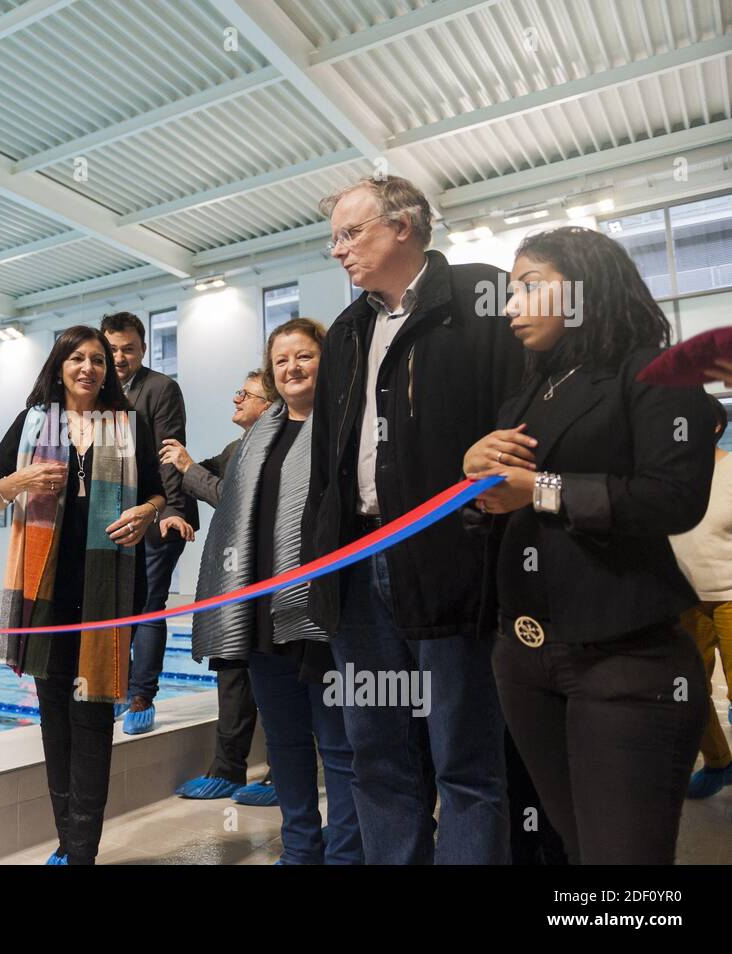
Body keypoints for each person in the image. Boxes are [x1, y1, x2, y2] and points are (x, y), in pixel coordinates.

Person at [465, 226, 716, 864]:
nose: (511, 307)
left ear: (583, 288)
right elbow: (505, 506)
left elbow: (671, 498)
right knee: (579, 851)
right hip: (525, 656)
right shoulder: (529, 391)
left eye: (529, 287)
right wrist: (472, 477)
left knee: (622, 862)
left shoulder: (657, 374)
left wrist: (542, 488)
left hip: (623, 657)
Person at [300, 174, 525, 864]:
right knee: (376, 755)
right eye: (333, 237)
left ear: (404, 227)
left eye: (350, 233)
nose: (337, 251)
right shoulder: (345, 331)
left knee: (464, 756)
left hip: (449, 561)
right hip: (360, 567)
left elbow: (522, 419)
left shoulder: (481, 301)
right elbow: (326, 467)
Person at [0, 325, 164, 866]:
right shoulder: (34, 422)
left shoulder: (128, 426)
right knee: (54, 719)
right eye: (78, 358)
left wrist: (145, 513)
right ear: (59, 365)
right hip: (46, 597)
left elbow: (156, 489)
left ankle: (81, 851)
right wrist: (21, 481)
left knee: (92, 721)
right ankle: (69, 841)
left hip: (107, 593)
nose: (89, 368)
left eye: (99, 360)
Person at [192, 318, 362, 864]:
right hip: (262, 614)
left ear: (325, 360)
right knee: (286, 747)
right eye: (282, 360)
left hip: (324, 613)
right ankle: (300, 850)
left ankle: (344, 854)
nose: (292, 368)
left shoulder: (344, 427)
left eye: (304, 356)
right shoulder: (255, 440)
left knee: (339, 747)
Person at [162, 370, 278, 804]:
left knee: (271, 677)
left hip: (264, 580)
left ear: (268, 405)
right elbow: (194, 479)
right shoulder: (238, 446)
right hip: (232, 581)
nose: (235, 398)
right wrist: (169, 509)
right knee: (230, 668)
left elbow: (233, 496)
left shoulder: (277, 444)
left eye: (245, 394)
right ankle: (227, 770)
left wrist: (189, 468)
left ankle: (284, 778)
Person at [101, 311, 198, 735]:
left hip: (158, 514)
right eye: (113, 349)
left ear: (143, 349)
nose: (120, 357)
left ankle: (142, 694)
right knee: (118, 606)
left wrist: (170, 510)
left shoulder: (160, 388)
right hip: (116, 518)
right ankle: (117, 689)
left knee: (147, 606)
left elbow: (169, 452)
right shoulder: (98, 394)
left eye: (128, 349)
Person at [669, 400, 732, 799]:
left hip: (730, 596)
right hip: (684, 599)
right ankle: (719, 762)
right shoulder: (670, 478)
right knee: (689, 691)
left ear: (713, 426)